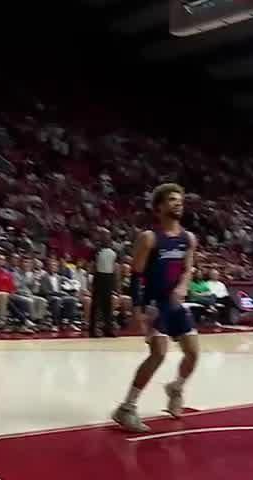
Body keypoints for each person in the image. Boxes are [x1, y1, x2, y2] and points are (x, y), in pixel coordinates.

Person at [112, 183, 199, 433]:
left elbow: (187, 269)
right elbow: (136, 275)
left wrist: (183, 286)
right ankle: (127, 408)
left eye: (180, 199)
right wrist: (138, 310)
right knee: (158, 354)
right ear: (159, 207)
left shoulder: (188, 238)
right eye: (172, 200)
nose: (178, 203)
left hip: (176, 303)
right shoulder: (149, 238)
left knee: (193, 353)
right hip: (154, 303)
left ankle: (176, 387)